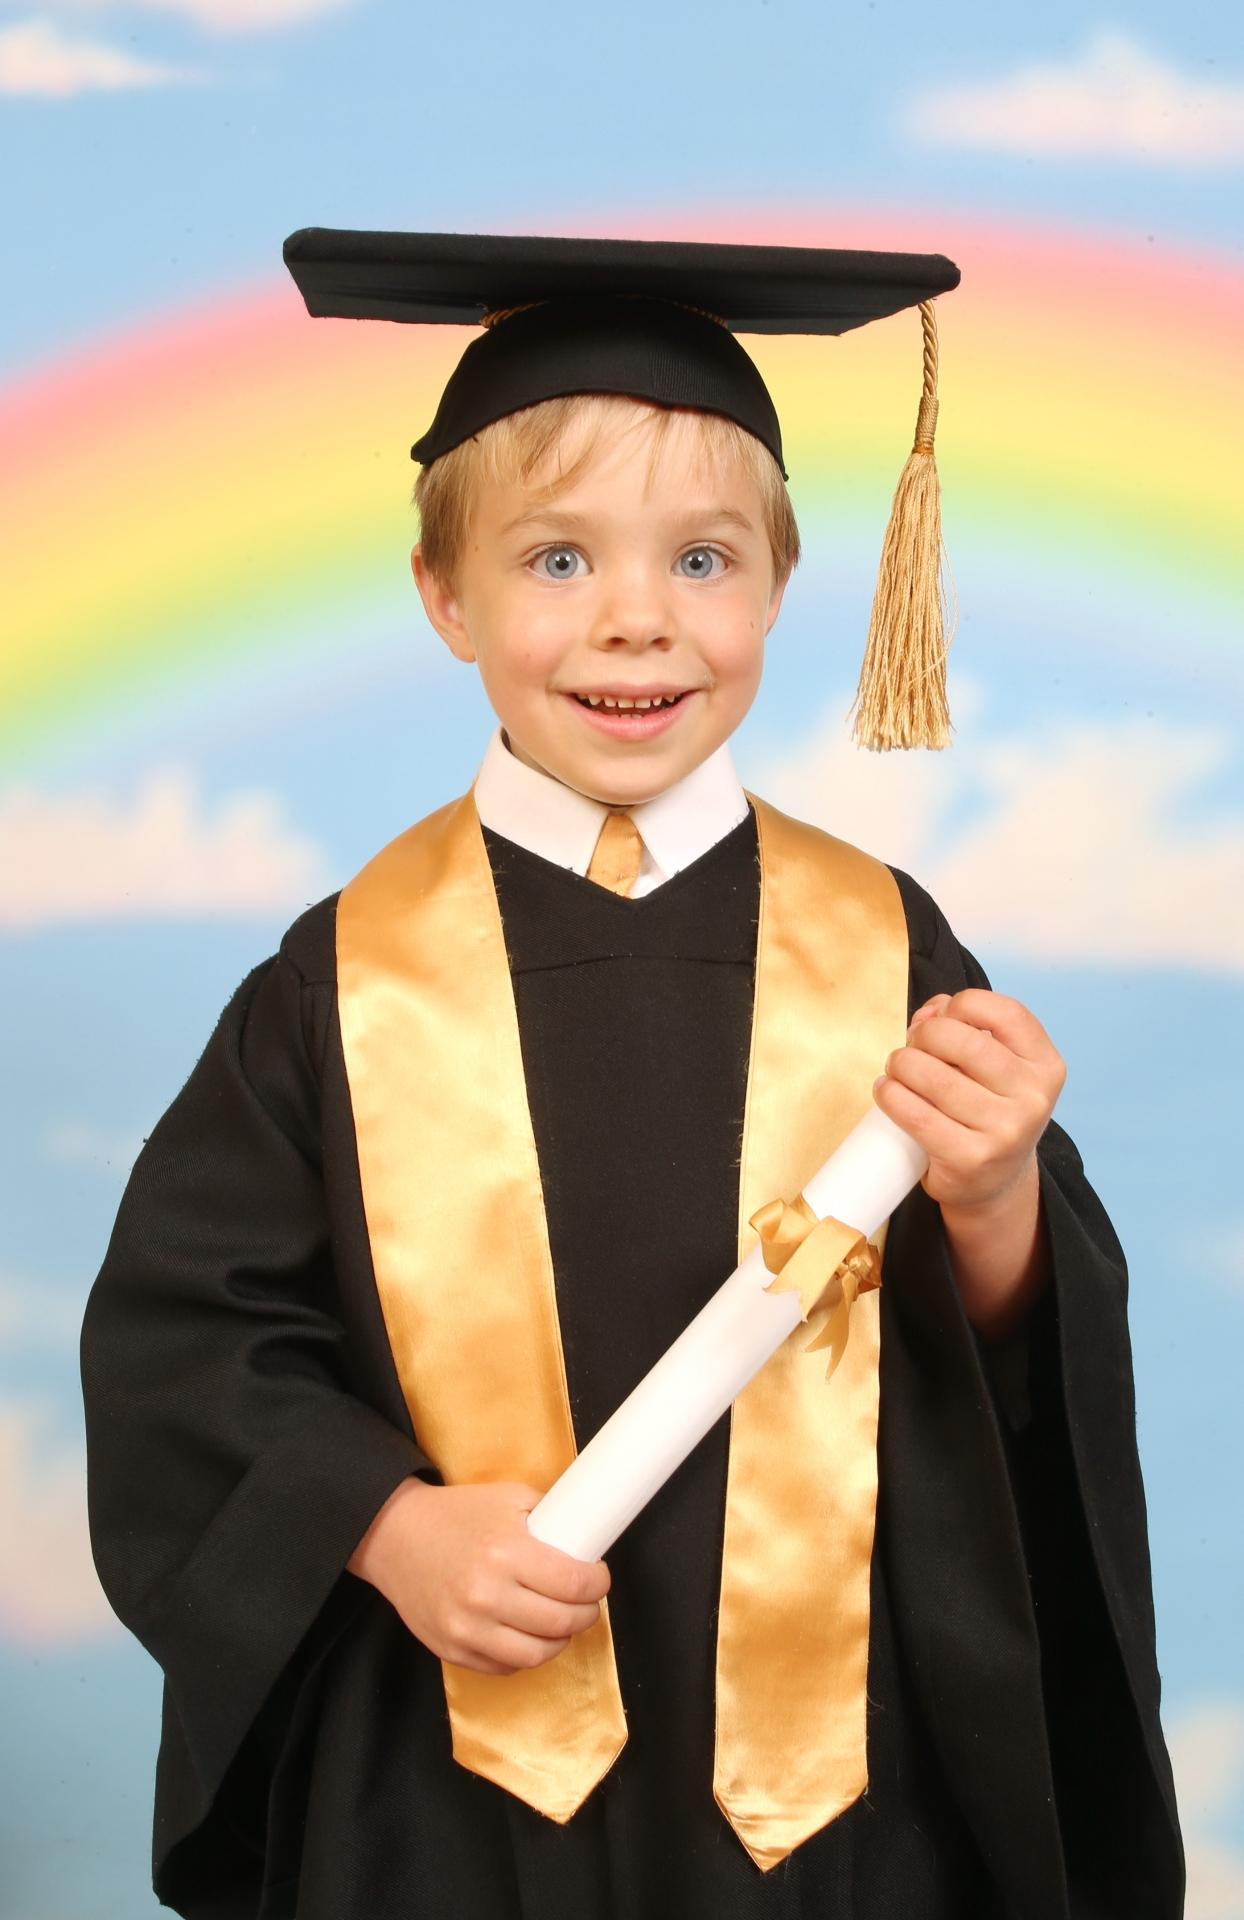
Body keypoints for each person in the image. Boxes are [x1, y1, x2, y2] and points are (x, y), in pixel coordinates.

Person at [81, 231, 1184, 1920]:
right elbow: (189, 1345)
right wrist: (387, 1529)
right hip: (453, 1792)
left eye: (702, 559)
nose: (635, 624)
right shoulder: (343, 978)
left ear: (784, 588)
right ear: (444, 596)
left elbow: (1025, 1358)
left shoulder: (883, 945)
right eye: (555, 560)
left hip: (837, 1808)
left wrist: (996, 1197)